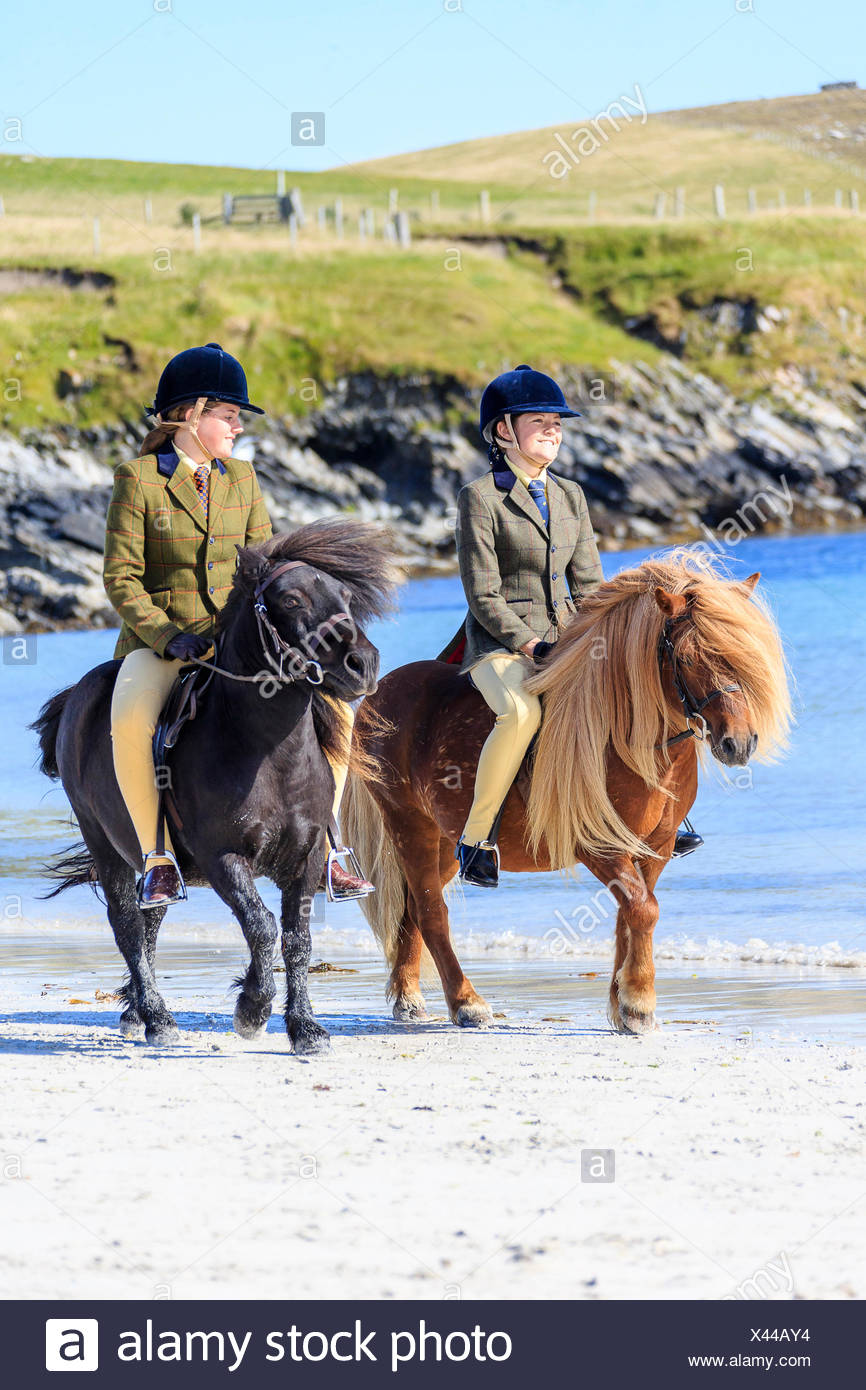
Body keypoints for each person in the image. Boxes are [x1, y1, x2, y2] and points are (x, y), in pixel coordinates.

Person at [103, 342, 373, 908]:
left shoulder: (243, 480)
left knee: (340, 714)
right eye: (228, 416)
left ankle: (329, 849)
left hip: (241, 644)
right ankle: (156, 859)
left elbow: (265, 569)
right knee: (129, 716)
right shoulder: (139, 480)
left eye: (237, 418)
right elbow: (122, 579)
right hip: (164, 644)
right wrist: (165, 635)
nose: (237, 428)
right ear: (191, 414)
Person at [449, 364, 703, 888]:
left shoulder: (571, 496)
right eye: (539, 422)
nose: (552, 432)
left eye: (558, 424)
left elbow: (589, 586)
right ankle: (476, 839)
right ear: (503, 431)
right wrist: (528, 642)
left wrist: (603, 639)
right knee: (520, 715)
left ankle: (667, 816)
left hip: (570, 637)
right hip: (501, 644)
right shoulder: (480, 498)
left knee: (637, 693)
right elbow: (483, 593)